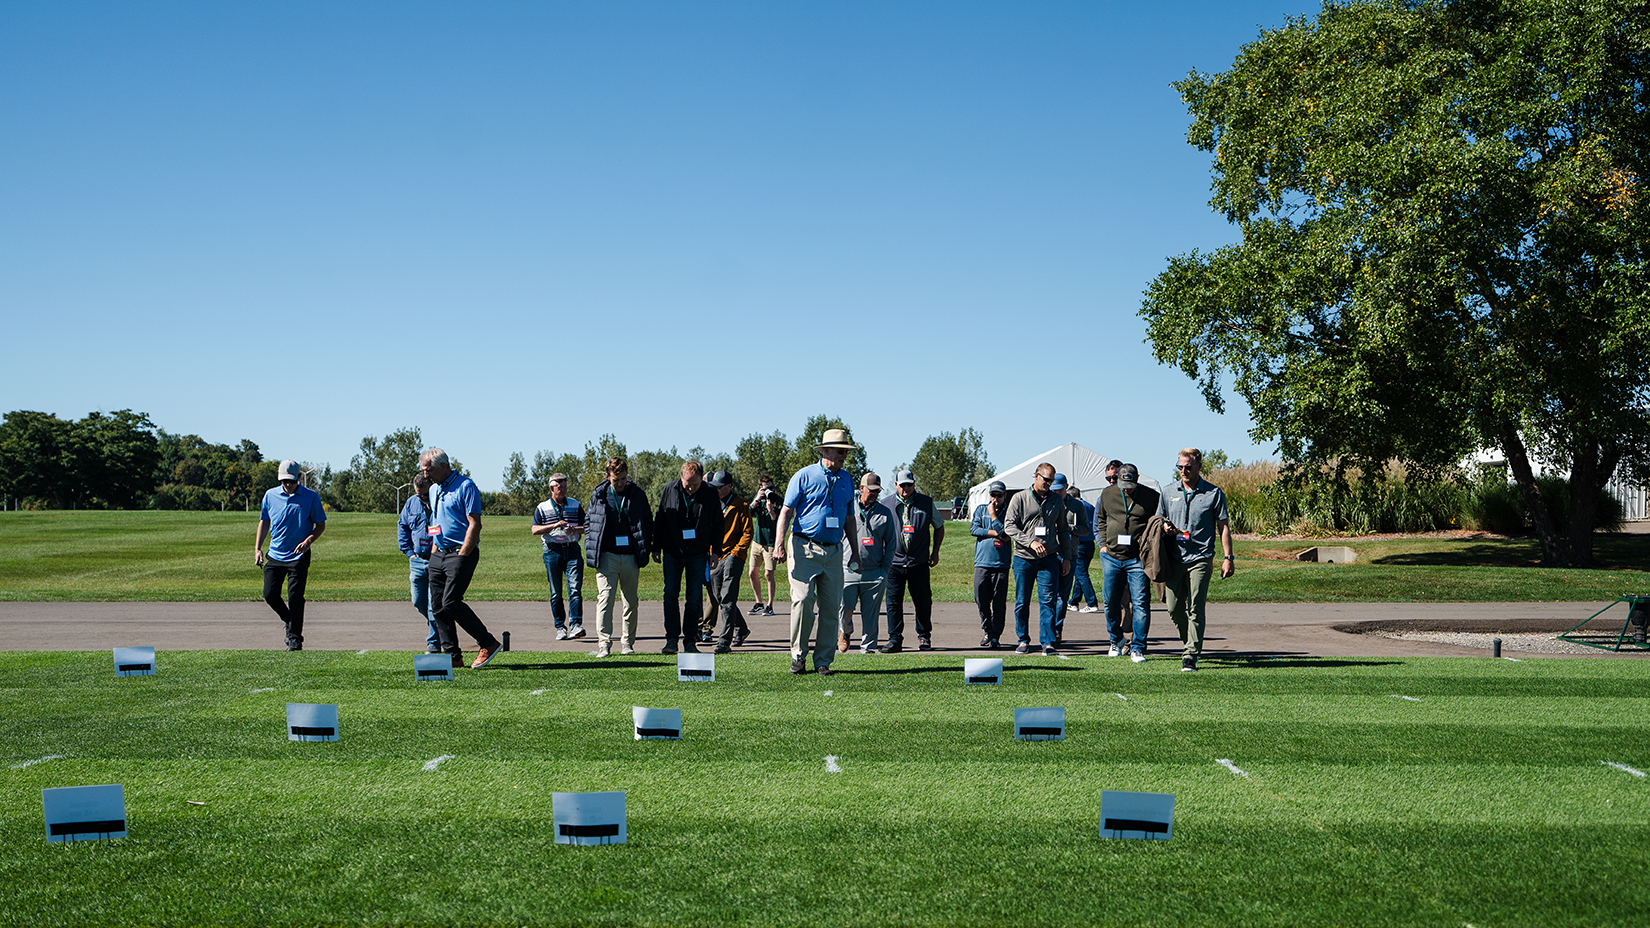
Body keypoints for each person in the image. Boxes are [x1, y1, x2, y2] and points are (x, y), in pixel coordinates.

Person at [773, 428, 860, 675]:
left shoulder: (846, 479)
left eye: (846, 451)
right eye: (840, 451)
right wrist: (779, 544)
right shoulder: (803, 476)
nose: (844, 455)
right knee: (803, 601)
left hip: (834, 551)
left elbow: (849, 519)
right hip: (804, 548)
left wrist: (855, 552)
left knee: (831, 608)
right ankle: (798, 656)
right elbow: (786, 511)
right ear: (825, 451)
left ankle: (823, 661)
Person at [421, 448, 503, 669]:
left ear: (443, 466)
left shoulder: (466, 486)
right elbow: (436, 523)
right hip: (439, 553)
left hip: (460, 553)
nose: (426, 474)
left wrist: (463, 553)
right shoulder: (434, 489)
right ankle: (453, 657)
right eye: (424, 470)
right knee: (437, 607)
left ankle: (488, 643)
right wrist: (434, 552)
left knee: (451, 602)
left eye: (429, 470)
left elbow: (474, 524)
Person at [1157, 447, 1235, 672]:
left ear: (1199, 466)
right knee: (1173, 608)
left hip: (1201, 557)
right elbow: (1159, 518)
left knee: (1196, 607)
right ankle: (1190, 641)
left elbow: (1223, 527)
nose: (1183, 471)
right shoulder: (1168, 491)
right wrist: (1164, 526)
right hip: (1175, 557)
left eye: (1188, 467)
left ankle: (1190, 654)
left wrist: (1228, 557)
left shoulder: (1213, 493)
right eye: (1180, 467)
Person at [584, 456, 654, 658]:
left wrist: (647, 546)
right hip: (607, 556)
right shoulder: (599, 494)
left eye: (623, 478)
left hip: (631, 556)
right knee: (605, 599)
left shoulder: (637, 494)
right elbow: (589, 522)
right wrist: (591, 544)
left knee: (630, 602)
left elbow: (647, 521)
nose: (621, 483)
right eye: (616, 480)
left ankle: (627, 643)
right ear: (608, 477)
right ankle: (604, 643)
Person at [254, 460, 326, 650]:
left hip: (298, 556)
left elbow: (320, 525)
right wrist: (258, 548)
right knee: (269, 594)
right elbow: (264, 521)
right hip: (275, 554)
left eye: (291, 481)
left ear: (299, 478)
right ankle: (289, 620)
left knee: (295, 597)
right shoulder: (270, 495)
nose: (287, 484)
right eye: (284, 481)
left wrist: (308, 541)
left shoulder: (311, 497)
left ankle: (295, 638)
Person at [1003, 463, 1074, 655]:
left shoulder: (1056, 500)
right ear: (1036, 476)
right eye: (1046, 479)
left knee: (1048, 601)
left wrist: (1067, 557)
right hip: (1024, 558)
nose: (1048, 484)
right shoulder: (1020, 498)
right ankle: (1022, 640)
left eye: (1051, 480)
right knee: (1022, 601)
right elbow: (1009, 526)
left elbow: (1063, 530)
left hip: (1048, 558)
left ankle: (1048, 642)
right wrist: (1030, 542)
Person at [654, 460, 725, 653]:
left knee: (694, 598)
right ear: (681, 477)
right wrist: (656, 547)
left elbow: (718, 524)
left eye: (695, 484)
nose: (691, 488)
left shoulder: (710, 493)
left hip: (698, 553)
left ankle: (690, 641)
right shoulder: (669, 489)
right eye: (687, 484)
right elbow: (660, 519)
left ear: (702, 479)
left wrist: (715, 552)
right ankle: (671, 640)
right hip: (673, 551)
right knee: (670, 594)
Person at [1098, 463, 1161, 662]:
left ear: (1137, 479)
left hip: (1137, 558)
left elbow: (1157, 524)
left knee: (1140, 603)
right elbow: (1101, 519)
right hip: (1111, 556)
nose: (1126, 489)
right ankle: (1116, 640)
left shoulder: (1151, 497)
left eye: (1130, 486)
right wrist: (1103, 543)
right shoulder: (1107, 494)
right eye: (1123, 485)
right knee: (1110, 601)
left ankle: (1138, 647)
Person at [885, 469, 943, 652]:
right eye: (902, 485)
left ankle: (924, 636)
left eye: (909, 485)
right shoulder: (886, 504)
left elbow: (939, 526)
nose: (906, 489)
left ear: (914, 484)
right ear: (896, 485)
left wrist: (935, 552)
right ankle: (895, 638)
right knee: (893, 603)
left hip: (918, 562)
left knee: (923, 601)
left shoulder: (926, 503)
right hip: (894, 563)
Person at [840, 472, 896, 654]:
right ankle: (845, 632)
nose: (874, 494)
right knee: (845, 607)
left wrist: (884, 570)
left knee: (871, 614)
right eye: (871, 490)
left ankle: (868, 649)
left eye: (877, 491)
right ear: (861, 488)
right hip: (848, 569)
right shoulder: (848, 508)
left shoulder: (885, 513)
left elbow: (891, 544)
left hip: (874, 571)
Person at [531, 473, 586, 641]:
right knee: (556, 592)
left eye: (564, 487)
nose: (563, 490)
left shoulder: (575, 505)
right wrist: (554, 525)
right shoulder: (543, 507)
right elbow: (534, 530)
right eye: (559, 487)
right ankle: (560, 627)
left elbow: (587, 527)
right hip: (552, 550)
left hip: (572, 549)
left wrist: (574, 530)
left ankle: (575, 625)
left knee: (575, 589)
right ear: (551, 488)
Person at [708, 470, 754, 653]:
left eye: (720, 487)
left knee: (727, 597)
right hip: (715, 556)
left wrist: (736, 553)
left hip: (733, 556)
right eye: (715, 487)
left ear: (729, 486)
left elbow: (748, 532)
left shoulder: (741, 505)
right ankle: (741, 629)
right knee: (719, 597)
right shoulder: (712, 502)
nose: (717, 490)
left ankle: (724, 641)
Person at [396, 474, 440, 653]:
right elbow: (402, 526)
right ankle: (441, 627)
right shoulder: (411, 503)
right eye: (418, 494)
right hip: (417, 560)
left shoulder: (440, 502)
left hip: (437, 558)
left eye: (424, 494)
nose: (421, 497)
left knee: (432, 604)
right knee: (418, 601)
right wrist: (409, 552)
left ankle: (434, 642)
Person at [970, 480, 1012, 648]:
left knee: (999, 602)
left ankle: (995, 635)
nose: (996, 499)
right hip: (982, 562)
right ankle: (987, 630)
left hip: (1001, 564)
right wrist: (995, 533)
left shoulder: (1009, 512)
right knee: (981, 599)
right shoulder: (981, 510)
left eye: (999, 496)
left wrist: (994, 516)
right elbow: (974, 529)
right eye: (993, 495)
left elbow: (1006, 534)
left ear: (1005, 496)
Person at [1050, 473, 1086, 644]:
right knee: (1049, 594)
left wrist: (1067, 528)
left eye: (1059, 489)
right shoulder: (1047, 502)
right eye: (1053, 490)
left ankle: (1057, 630)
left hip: (1070, 554)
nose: (1056, 492)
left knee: (1062, 595)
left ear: (1066, 487)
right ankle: (1048, 630)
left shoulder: (1076, 506)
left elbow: (1085, 529)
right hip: (1050, 552)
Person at [747, 475, 781, 616]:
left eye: (770, 488)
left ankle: (770, 605)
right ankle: (759, 603)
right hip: (757, 541)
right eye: (764, 488)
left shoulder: (778, 500)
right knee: (752, 573)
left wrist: (771, 510)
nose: (767, 491)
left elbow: (779, 521)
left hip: (771, 543)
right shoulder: (759, 499)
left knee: (768, 574)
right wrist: (757, 499)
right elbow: (748, 513)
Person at [1070, 484, 1100, 613]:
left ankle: (1091, 602)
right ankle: (1074, 602)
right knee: (1080, 573)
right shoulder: (1090, 506)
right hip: (1090, 544)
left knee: (1081, 574)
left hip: (1079, 543)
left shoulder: (1075, 507)